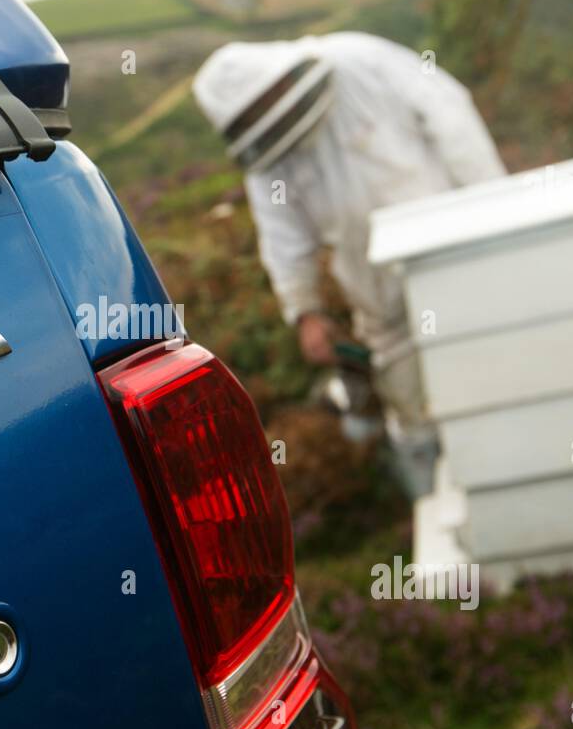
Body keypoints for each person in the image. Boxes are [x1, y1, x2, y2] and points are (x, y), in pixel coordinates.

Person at [192, 32, 506, 496]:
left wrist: (497, 210)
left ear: (282, 75)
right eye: (253, 114)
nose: (268, 114)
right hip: (373, 283)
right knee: (408, 394)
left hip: (455, 246)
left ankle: (499, 469)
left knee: (490, 351)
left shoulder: (361, 60)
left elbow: (451, 116)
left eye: (268, 101)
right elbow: (283, 236)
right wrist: (305, 310)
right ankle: (438, 500)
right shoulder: (269, 156)